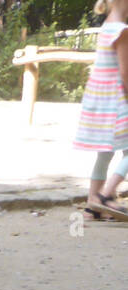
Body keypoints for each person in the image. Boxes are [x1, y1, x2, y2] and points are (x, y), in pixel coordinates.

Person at [74, 0, 128, 219]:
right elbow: (125, 72)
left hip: (101, 99)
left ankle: (91, 206)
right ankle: (106, 196)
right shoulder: (122, 31)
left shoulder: (107, 26)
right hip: (116, 99)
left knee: (105, 154)